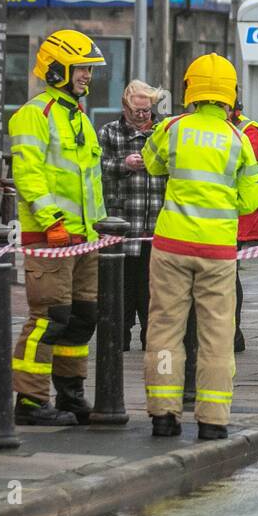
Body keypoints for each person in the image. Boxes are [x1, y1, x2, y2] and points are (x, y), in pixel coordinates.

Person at [141, 54, 258, 441]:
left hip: (172, 245)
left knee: (165, 329)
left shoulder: (172, 128)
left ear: (189, 89)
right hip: (216, 251)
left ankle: (164, 414)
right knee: (216, 333)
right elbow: (250, 201)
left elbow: (151, 164)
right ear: (230, 94)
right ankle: (212, 420)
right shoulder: (238, 139)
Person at [7, 30, 108, 427]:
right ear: (56, 70)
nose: (86, 76)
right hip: (52, 237)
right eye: (80, 68)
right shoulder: (37, 113)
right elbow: (28, 173)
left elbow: (88, 183)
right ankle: (30, 401)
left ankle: (70, 395)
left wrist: (98, 232)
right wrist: (52, 221)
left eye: (87, 69)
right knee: (50, 317)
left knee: (83, 317)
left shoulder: (77, 115)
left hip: (85, 239)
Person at [97, 80, 166, 351]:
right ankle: (117, 340)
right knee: (120, 292)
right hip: (123, 223)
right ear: (125, 106)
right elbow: (96, 168)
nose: (141, 116)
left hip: (156, 225)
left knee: (153, 293)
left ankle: (153, 340)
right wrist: (123, 164)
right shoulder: (109, 132)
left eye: (146, 111)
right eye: (136, 111)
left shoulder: (163, 132)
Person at [231, 98, 258, 352]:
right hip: (221, 212)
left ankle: (233, 332)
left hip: (237, 213)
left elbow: (250, 171)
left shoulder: (249, 131)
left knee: (228, 275)